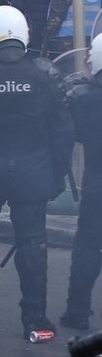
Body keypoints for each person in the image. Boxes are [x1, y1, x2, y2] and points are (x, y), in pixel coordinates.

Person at [0, 6, 72, 339]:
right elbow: (62, 130)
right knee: (33, 244)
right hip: (33, 168)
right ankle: (36, 320)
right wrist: (58, 175)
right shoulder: (44, 72)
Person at [63, 32, 102, 330]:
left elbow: (71, 133)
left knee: (88, 245)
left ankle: (77, 311)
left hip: (96, 183)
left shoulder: (84, 97)